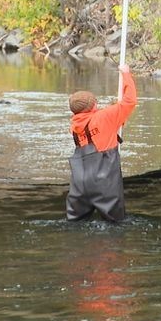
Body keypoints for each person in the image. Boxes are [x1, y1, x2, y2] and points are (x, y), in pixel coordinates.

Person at [66, 64, 137, 222]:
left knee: (76, 223)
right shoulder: (105, 117)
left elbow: (92, 121)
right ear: (93, 105)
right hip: (105, 181)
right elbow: (130, 101)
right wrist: (126, 74)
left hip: (80, 183)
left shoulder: (74, 125)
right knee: (115, 224)